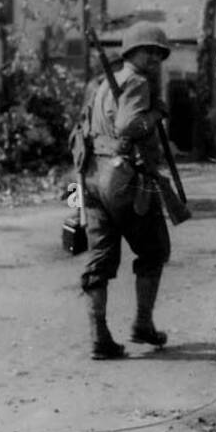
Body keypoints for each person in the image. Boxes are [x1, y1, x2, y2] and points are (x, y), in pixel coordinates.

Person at [74, 22, 174, 360]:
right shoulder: (136, 82)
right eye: (148, 52)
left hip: (93, 176)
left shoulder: (104, 84)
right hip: (123, 177)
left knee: (101, 257)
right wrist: (157, 113)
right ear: (131, 52)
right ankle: (143, 324)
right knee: (155, 250)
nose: (155, 59)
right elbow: (129, 126)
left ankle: (99, 336)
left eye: (159, 54)